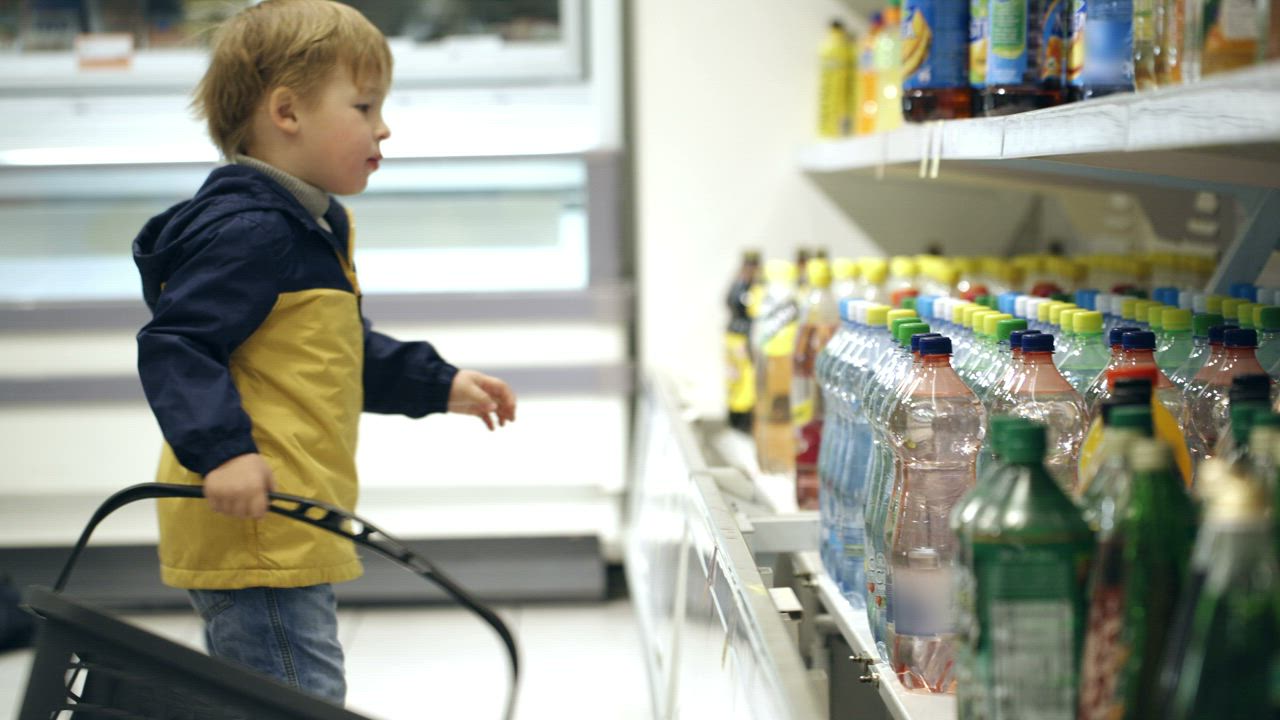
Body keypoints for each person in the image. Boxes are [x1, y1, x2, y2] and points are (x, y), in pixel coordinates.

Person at [132, 0, 516, 704]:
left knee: (266, 697)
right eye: (365, 107)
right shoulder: (255, 232)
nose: (383, 126)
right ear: (286, 113)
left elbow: (336, 349)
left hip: (285, 519)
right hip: (256, 525)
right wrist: (223, 452)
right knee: (298, 698)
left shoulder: (307, 224)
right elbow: (178, 344)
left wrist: (438, 383)